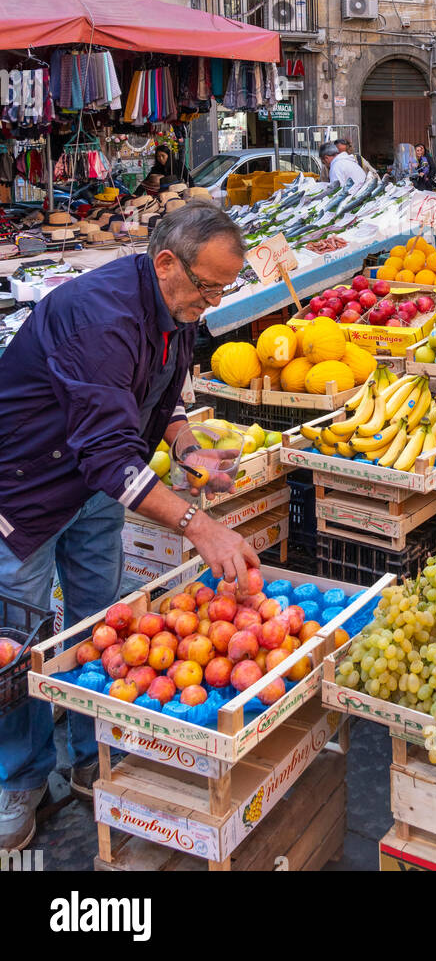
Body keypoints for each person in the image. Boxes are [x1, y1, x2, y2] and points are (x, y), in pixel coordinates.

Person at [0, 204, 260, 849]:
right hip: (26, 487)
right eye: (207, 286)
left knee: (103, 617)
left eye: (225, 288)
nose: (213, 300)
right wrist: (200, 526)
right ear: (166, 261)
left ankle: (97, 747)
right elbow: (106, 452)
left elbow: (160, 392)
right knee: (19, 644)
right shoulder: (101, 317)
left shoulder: (173, 307)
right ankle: (20, 781)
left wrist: (187, 445)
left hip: (92, 488)